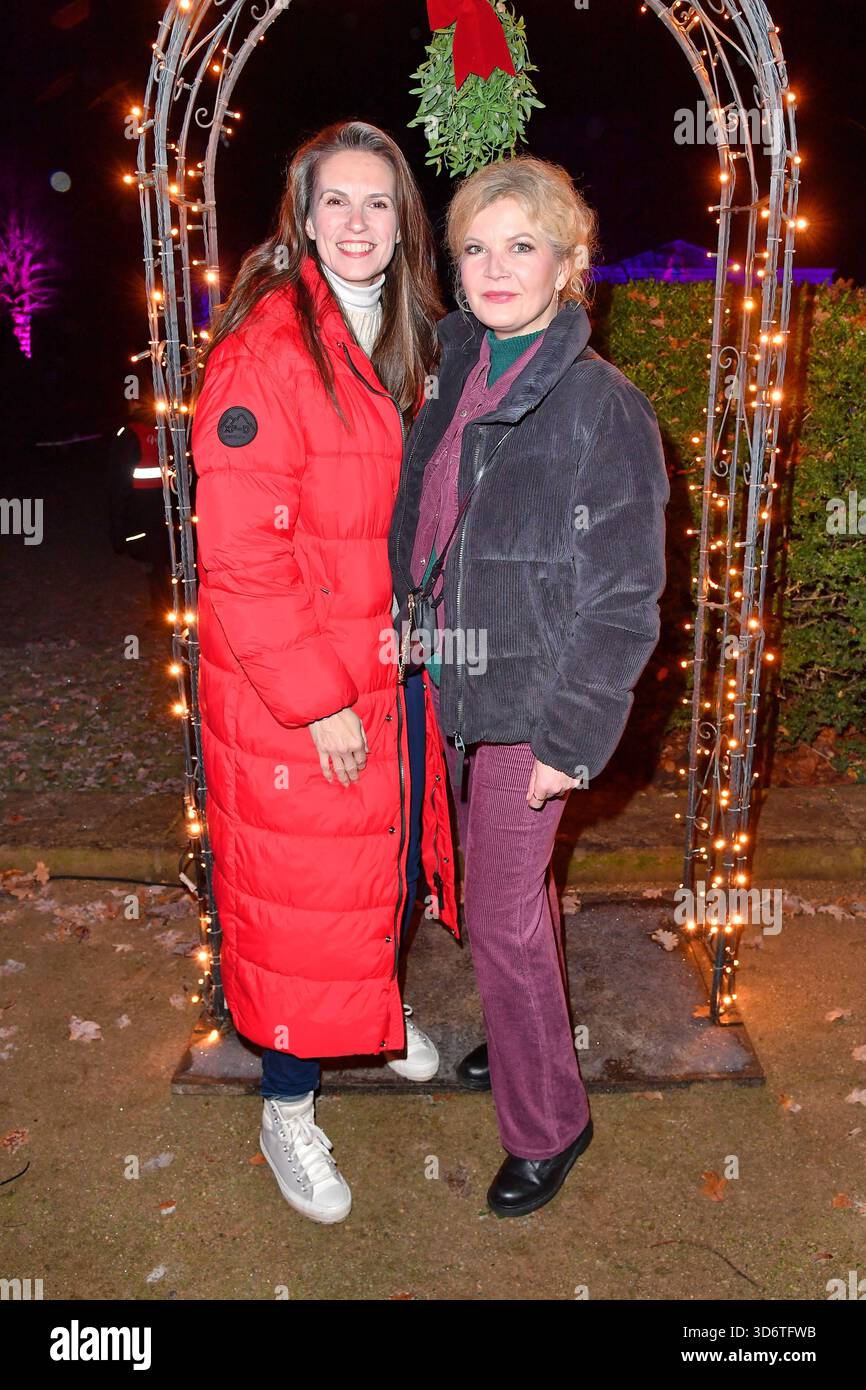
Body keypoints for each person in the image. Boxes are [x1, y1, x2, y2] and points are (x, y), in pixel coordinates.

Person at [389, 156, 670, 1218]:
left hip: (532, 706)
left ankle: (549, 1118)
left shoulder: (604, 407)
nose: (495, 266)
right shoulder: (453, 371)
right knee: (502, 901)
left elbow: (623, 592)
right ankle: (524, 1042)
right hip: (438, 682)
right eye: (474, 246)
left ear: (568, 262)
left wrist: (570, 736)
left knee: (500, 913)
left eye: (521, 245)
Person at [192, 121, 457, 1226]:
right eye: (335, 203)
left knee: (383, 870)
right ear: (301, 218)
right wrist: (318, 701)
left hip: (387, 665)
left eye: (378, 203)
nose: (357, 223)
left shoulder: (396, 334)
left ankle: (375, 1013)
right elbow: (242, 557)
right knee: (299, 907)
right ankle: (287, 1106)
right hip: (302, 693)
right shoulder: (269, 346)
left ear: (403, 224)